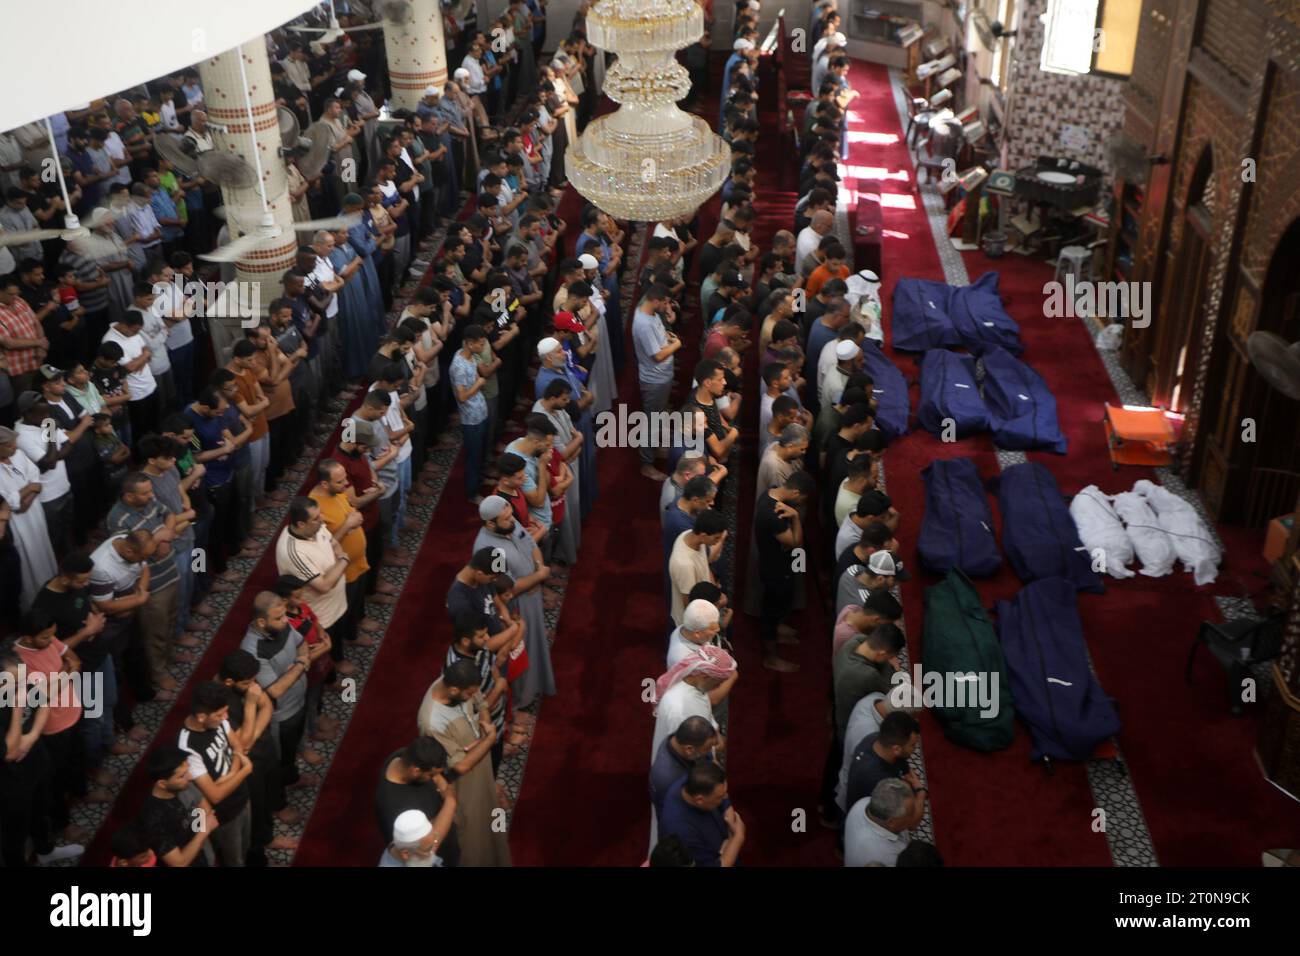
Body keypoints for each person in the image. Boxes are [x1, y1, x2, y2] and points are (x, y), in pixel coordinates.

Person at [416, 658, 511, 867]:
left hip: (481, 766)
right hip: (464, 785)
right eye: (467, 694)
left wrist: (485, 717)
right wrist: (489, 739)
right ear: (453, 690)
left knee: (492, 818)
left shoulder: (460, 683)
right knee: (471, 836)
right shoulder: (432, 722)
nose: (471, 696)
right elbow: (460, 766)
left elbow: (479, 699)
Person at [472, 495, 554, 708]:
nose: (512, 521)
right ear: (491, 523)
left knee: (535, 641)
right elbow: (506, 586)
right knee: (520, 648)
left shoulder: (508, 523)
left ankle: (537, 684)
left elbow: (530, 543)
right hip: (515, 605)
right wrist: (539, 576)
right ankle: (522, 701)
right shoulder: (493, 551)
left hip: (532, 594)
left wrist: (538, 566)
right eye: (506, 520)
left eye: (511, 517)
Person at [176, 681, 256, 867]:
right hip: (223, 814)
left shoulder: (217, 719)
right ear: (202, 716)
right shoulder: (187, 746)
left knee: (245, 846)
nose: (226, 717)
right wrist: (243, 770)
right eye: (220, 714)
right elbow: (215, 795)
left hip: (241, 795)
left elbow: (238, 747)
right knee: (233, 859)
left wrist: (231, 774)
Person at [751, 470, 816, 672]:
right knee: (771, 609)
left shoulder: (771, 492)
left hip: (781, 564)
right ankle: (770, 658)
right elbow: (796, 543)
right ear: (796, 493)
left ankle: (778, 627)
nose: (802, 504)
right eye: (803, 500)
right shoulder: (773, 515)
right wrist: (796, 518)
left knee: (783, 601)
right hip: (776, 569)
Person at [275, 496, 351, 666]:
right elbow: (324, 585)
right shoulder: (294, 552)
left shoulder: (314, 528)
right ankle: (333, 676)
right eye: (316, 518)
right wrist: (345, 560)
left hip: (337, 603)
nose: (322, 519)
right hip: (321, 615)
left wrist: (340, 560)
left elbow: (335, 545)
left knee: (338, 638)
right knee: (325, 654)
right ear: (301, 524)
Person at [375, 737, 461, 866]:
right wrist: (450, 802)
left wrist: (442, 785)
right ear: (416, 771)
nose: (433, 778)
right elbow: (426, 845)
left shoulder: (405, 757)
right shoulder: (394, 807)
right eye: (430, 775)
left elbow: (437, 775)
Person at [0, 425, 58, 610]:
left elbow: (35, 479)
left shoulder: (17, 455)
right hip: (17, 525)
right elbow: (9, 502)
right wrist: (29, 489)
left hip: (33, 511)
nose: (15, 448)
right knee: (27, 562)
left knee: (43, 550)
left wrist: (30, 492)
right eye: (9, 446)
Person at [650, 645, 736, 759]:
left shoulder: (696, 685)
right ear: (705, 676)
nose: (719, 686)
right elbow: (685, 751)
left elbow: (706, 711)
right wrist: (713, 754)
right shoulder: (678, 709)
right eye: (718, 682)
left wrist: (715, 734)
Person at [630, 284, 680, 480]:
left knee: (657, 416)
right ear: (655, 301)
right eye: (665, 302)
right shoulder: (644, 324)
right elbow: (657, 356)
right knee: (651, 421)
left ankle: (653, 448)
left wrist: (667, 337)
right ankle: (646, 463)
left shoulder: (651, 315)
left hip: (661, 377)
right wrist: (676, 344)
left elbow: (659, 339)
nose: (667, 306)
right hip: (655, 380)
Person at [136, 746, 217, 866]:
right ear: (162, 783)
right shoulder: (153, 817)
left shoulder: (183, 785)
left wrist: (198, 829)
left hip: (206, 856)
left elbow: (204, 807)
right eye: (182, 775)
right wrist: (203, 830)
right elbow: (178, 863)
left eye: (187, 770)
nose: (190, 777)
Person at [658, 761, 745, 867]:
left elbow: (724, 797)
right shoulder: (681, 831)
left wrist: (729, 816)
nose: (725, 798)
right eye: (719, 797)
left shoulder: (694, 780)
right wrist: (738, 837)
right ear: (700, 800)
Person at [844, 711, 927, 820]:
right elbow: (911, 822)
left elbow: (901, 763)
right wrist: (920, 791)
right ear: (896, 749)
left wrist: (906, 772)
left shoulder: (873, 739)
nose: (914, 749)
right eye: (912, 745)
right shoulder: (882, 782)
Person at [667, 508, 727, 628]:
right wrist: (716, 606)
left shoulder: (691, 536)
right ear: (703, 535)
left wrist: (716, 592)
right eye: (716, 538)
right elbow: (689, 604)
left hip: (705, 601)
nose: (718, 542)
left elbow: (706, 564)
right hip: (694, 622)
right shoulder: (684, 564)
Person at [844, 777, 915, 867]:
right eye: (911, 814)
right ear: (891, 822)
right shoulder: (887, 859)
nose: (914, 815)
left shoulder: (863, 803)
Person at [666, 599, 728, 669]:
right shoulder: (683, 660)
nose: (718, 629)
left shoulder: (686, 628)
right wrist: (734, 676)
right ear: (697, 634)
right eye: (712, 629)